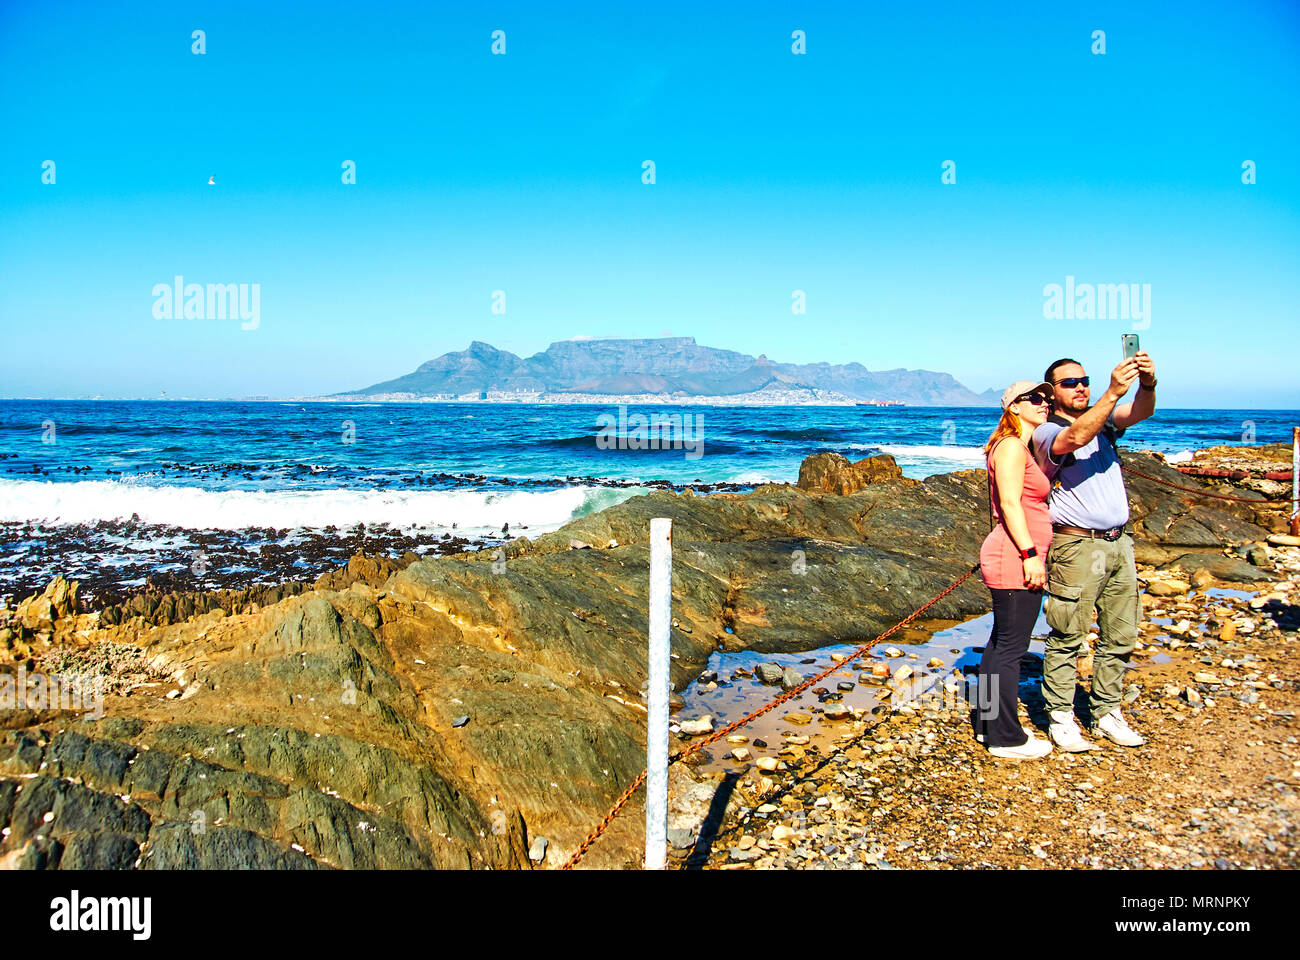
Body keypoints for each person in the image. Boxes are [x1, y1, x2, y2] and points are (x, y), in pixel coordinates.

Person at [1032, 352, 1157, 750]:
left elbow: (1139, 413)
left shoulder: (1103, 425)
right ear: (1052, 394)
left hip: (1118, 542)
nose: (1081, 386)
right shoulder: (1047, 433)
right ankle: (1061, 717)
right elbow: (1076, 437)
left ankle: (1106, 712)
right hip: (1077, 545)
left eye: (1084, 380)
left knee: (1121, 633)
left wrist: (1147, 384)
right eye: (1070, 383)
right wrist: (1113, 390)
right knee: (1069, 633)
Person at [975, 380, 1056, 759]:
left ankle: (987, 723)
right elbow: (1009, 505)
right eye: (1035, 399)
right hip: (1014, 555)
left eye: (1047, 399)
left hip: (1015, 554)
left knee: (999, 643)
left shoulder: (1018, 447)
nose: (1045, 403)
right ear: (1013, 407)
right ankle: (1006, 737)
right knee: (1011, 648)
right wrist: (1030, 554)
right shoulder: (1009, 447)